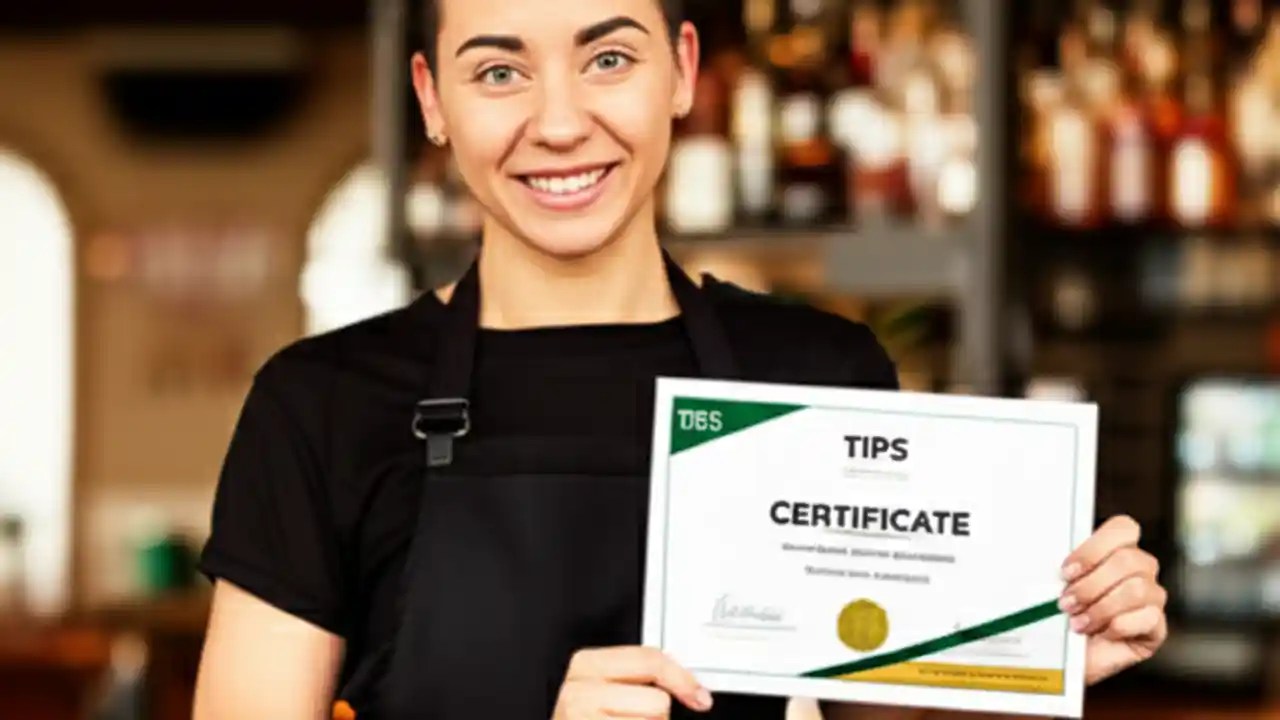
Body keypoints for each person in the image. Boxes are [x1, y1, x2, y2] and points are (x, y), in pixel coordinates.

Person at [191, 0, 1169, 718]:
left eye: (608, 57)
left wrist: (1027, 655)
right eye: (498, 72)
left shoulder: (818, 377)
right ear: (431, 100)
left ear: (682, 71)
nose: (560, 121)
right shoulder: (319, 408)